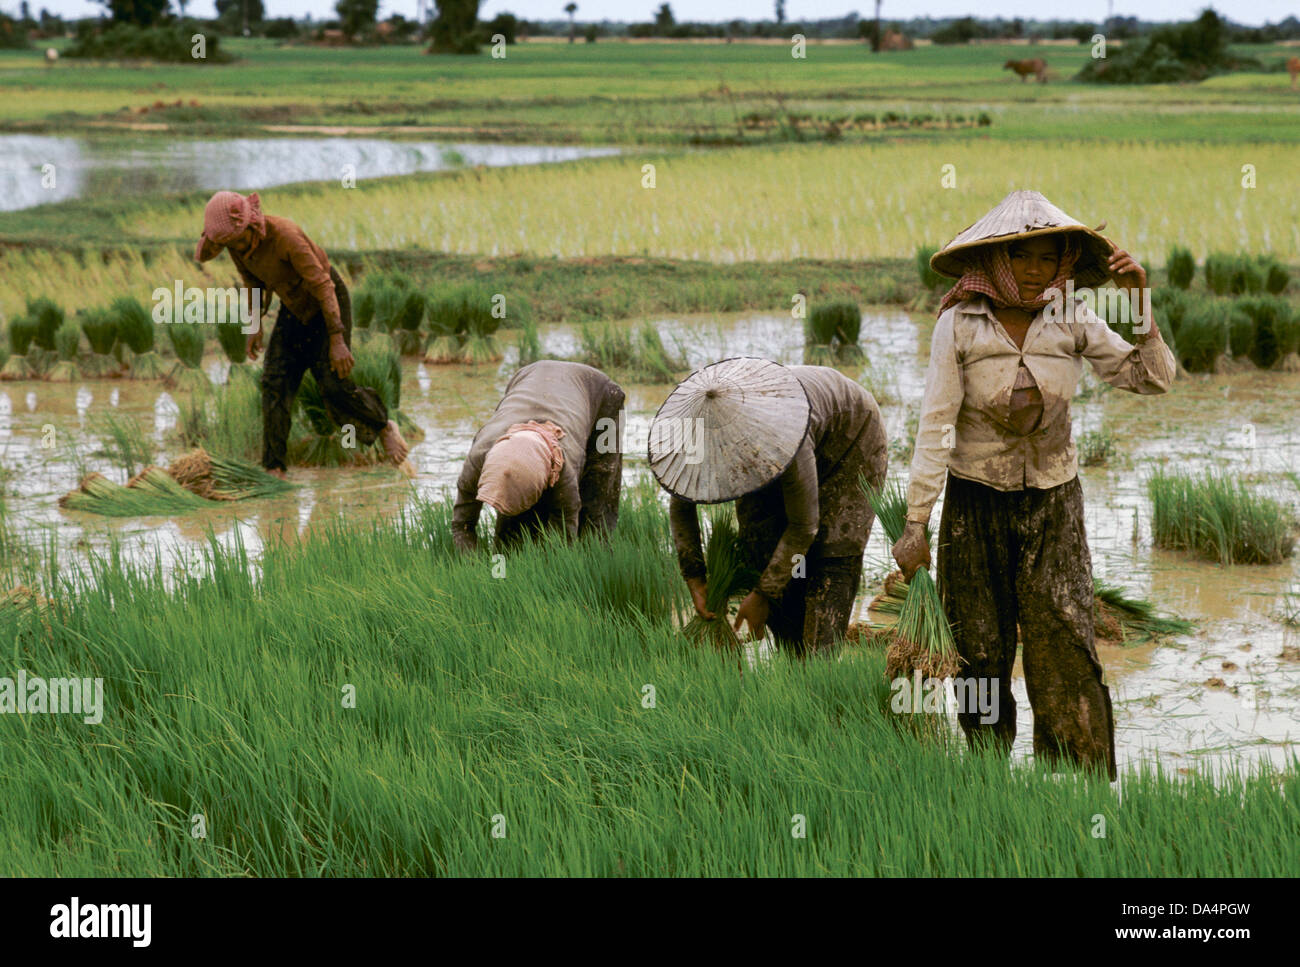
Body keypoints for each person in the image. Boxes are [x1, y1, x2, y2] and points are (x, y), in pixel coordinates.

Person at [891, 189, 1177, 782]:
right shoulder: (959, 323)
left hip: (1054, 501)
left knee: (1066, 642)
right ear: (995, 260)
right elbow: (936, 425)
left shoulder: (1072, 315)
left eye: (1047, 259)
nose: (1033, 271)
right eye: (1021, 257)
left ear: (1063, 264)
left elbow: (1149, 380)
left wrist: (1140, 307)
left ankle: (1079, 785)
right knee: (979, 650)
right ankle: (987, 775)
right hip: (975, 502)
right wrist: (916, 521)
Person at [652, 357, 887, 657]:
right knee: (759, 541)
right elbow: (681, 504)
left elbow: (804, 525)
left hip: (850, 440)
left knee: (832, 555)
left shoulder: (787, 431)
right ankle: (790, 656)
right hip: (784, 435)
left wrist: (763, 594)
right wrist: (695, 577)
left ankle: (820, 663)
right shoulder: (694, 430)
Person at [194, 190, 412, 479]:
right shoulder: (235, 243)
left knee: (333, 386)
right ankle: (275, 467)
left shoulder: (286, 236)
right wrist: (253, 324)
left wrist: (337, 338)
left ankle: (384, 425)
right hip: (294, 309)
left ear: (249, 225)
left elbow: (323, 285)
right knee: (274, 382)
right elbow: (251, 281)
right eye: (227, 244)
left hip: (326, 303)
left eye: (235, 240)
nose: (233, 247)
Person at [452, 360, 625, 552]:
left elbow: (562, 539)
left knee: (594, 506)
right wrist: (487, 571)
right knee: (510, 527)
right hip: (527, 376)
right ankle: (501, 573)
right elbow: (462, 526)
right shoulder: (479, 459)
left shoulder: (563, 471)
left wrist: (554, 571)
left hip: (603, 398)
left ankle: (595, 560)